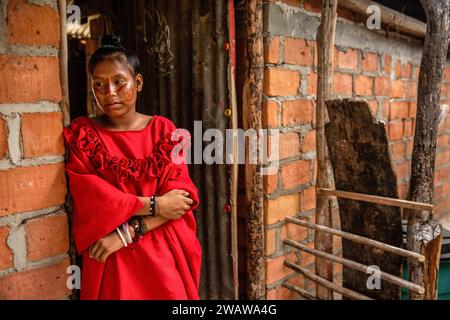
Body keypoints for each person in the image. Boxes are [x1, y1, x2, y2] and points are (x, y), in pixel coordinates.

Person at [63, 34, 202, 300]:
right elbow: (93, 199)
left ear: (137, 83)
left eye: (119, 82)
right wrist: (156, 204)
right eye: (99, 85)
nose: (110, 92)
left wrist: (127, 232)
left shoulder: (164, 131)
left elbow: (181, 201)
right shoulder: (84, 135)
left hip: (162, 253)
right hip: (111, 259)